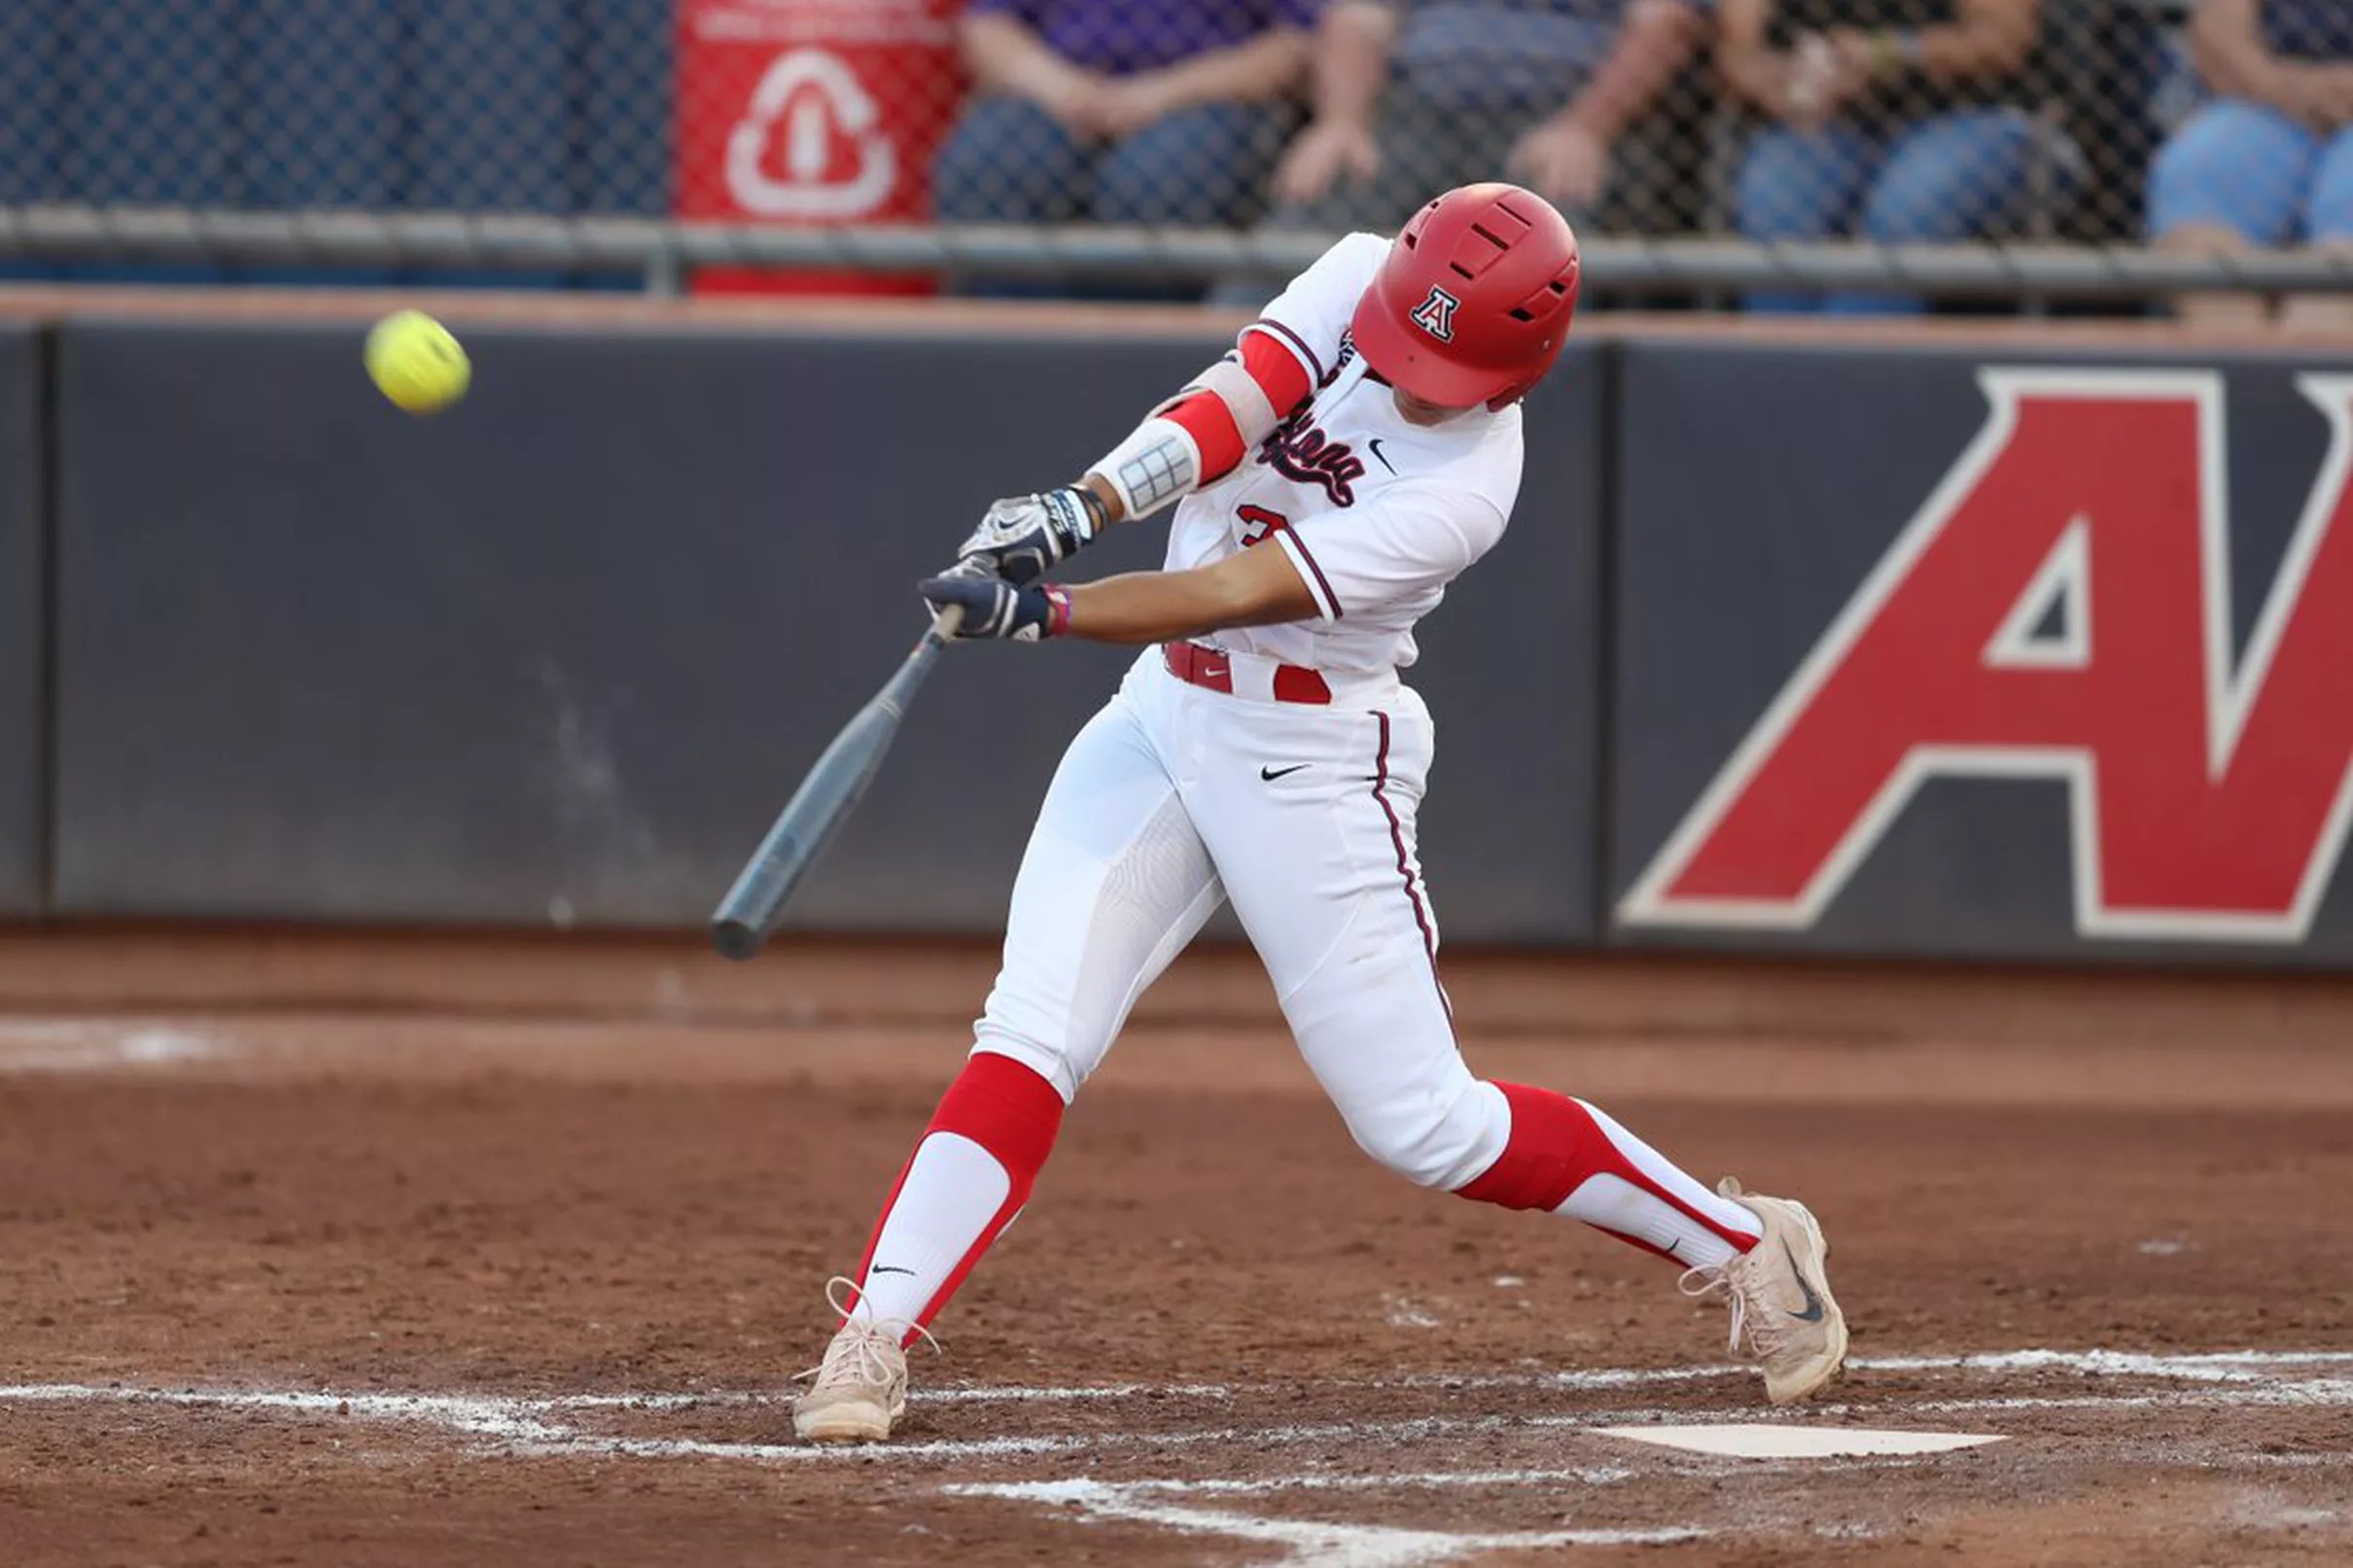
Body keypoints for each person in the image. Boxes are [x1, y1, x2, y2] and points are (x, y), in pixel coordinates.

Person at [788, 183, 1849, 1445]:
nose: (1404, 377)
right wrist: (1081, 506)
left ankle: (1745, 1240)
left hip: (1309, 758)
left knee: (1426, 1126)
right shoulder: (1360, 273)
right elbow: (1229, 404)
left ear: (1514, 374)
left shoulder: (1469, 488)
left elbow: (1235, 589)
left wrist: (1046, 611)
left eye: (1441, 375)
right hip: (1161, 715)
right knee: (1030, 1030)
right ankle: (875, 1332)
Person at [1720, 0, 2078, 312]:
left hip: (1980, 117)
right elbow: (1739, 52)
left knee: (1905, 206)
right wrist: (1783, 86)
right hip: (1840, 122)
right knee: (1775, 201)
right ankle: (1787, 362)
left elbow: (2002, 40)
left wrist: (1885, 52)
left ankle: (1850, 362)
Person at [1262, 0, 1711, 229]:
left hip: (1559, 116)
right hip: (1415, 114)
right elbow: (1357, 20)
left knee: (1542, 236)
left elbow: (1666, 23)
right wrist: (1342, 122)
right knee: (1324, 196)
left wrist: (1585, 129)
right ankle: (1248, 367)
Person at [934, 0, 1316, 234]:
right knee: (988, 164)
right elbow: (988, 24)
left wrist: (1155, 95)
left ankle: (1148, 338)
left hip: (1200, 97)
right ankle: (1017, 333)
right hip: (1057, 93)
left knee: (1156, 184)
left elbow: (1295, 42)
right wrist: (1066, 92)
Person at [2147, 0, 2353, 329]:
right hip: (2271, 102)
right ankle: (2235, 349)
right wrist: (2293, 88)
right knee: (2198, 169)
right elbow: (2218, 33)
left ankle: (2312, 345)